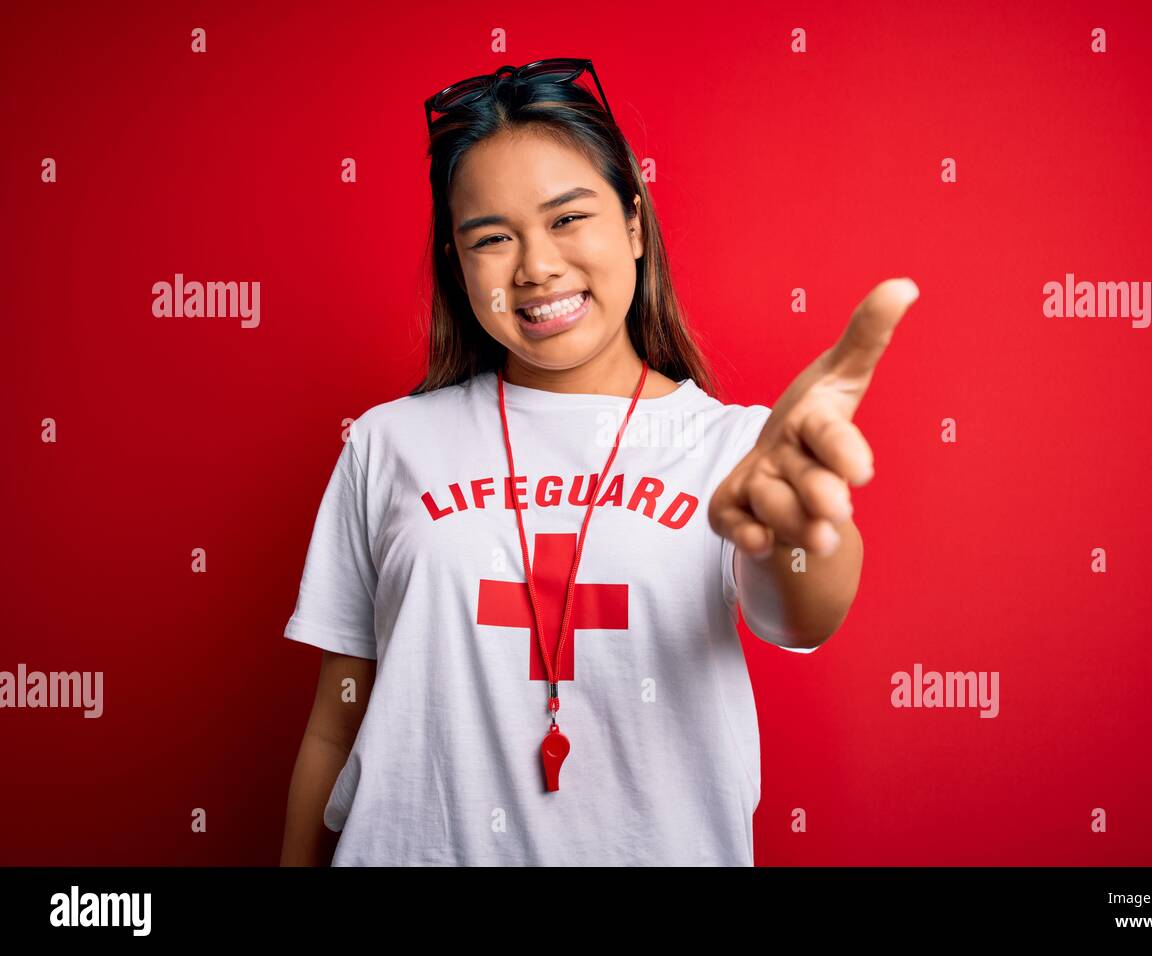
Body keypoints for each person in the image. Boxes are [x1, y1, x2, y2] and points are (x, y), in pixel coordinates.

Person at [279, 58, 919, 866]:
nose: (536, 266)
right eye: (492, 238)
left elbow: (799, 615)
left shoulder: (731, 449)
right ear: (458, 263)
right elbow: (337, 721)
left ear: (634, 226)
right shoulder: (386, 442)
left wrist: (801, 527)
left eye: (567, 219)